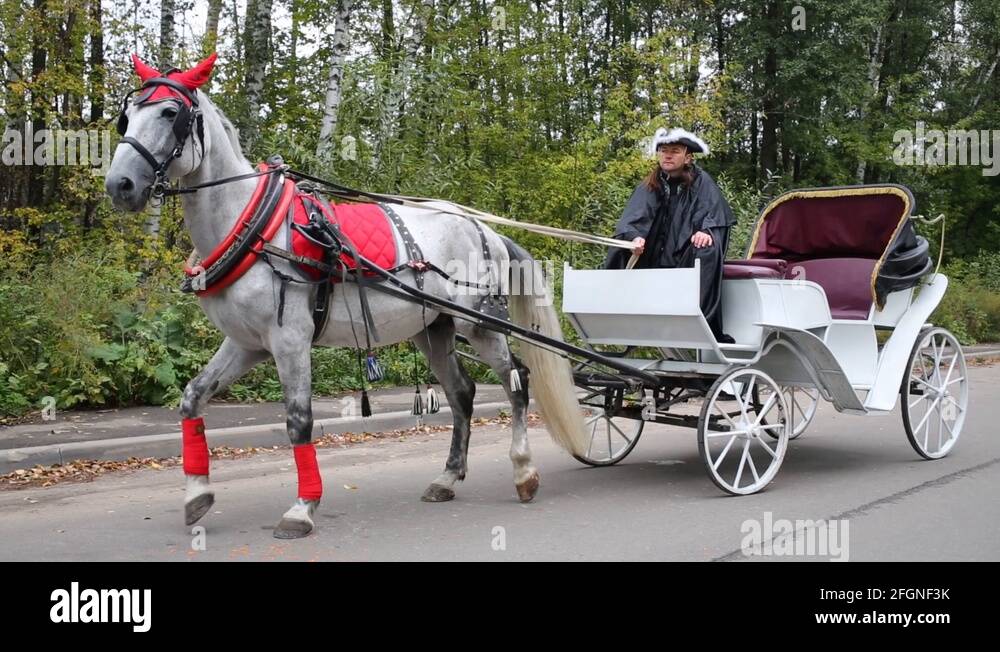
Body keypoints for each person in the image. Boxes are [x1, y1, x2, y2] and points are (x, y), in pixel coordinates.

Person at [604, 127, 736, 343]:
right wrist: (634, 238)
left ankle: (693, 316)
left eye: (674, 151)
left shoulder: (703, 183)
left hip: (683, 258)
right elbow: (631, 220)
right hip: (652, 258)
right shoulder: (652, 184)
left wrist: (705, 232)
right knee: (622, 246)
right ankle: (617, 318)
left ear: (688, 157)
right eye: (663, 150)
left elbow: (714, 216)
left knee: (707, 247)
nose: (667, 155)